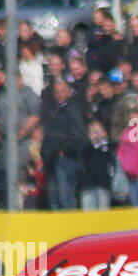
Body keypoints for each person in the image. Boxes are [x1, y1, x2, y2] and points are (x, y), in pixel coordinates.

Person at [42, 79, 85, 209]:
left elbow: (80, 134)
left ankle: (72, 227)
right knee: (54, 198)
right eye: (57, 91)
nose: (59, 94)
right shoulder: (55, 109)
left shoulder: (72, 109)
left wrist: (65, 149)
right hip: (52, 159)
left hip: (65, 159)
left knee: (65, 198)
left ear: (69, 92)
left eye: (62, 91)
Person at [79, 120, 116, 210]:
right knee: (88, 214)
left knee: (103, 213)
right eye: (93, 131)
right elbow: (84, 154)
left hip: (104, 185)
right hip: (88, 185)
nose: (96, 134)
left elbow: (111, 153)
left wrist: (103, 140)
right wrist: (94, 141)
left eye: (98, 131)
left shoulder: (108, 147)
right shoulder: (86, 148)